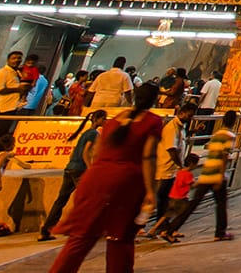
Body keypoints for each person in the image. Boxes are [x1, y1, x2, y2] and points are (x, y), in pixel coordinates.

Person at [47, 82, 163, 273]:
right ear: (155, 100)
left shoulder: (115, 120)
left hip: (95, 179)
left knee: (82, 236)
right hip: (125, 183)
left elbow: (97, 151)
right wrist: (151, 190)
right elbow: (149, 156)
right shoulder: (152, 121)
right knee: (121, 237)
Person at [159, 110, 236, 243]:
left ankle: (170, 229)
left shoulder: (217, 134)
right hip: (217, 174)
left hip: (206, 173)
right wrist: (221, 175)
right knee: (221, 205)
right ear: (234, 122)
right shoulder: (229, 135)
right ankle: (220, 232)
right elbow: (224, 156)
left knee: (192, 205)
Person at [39, 110, 107, 241]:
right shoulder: (94, 134)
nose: (105, 122)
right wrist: (89, 170)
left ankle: (46, 230)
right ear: (97, 119)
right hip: (80, 169)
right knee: (88, 199)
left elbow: (75, 152)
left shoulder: (85, 133)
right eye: (104, 119)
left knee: (61, 200)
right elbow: (86, 152)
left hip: (70, 168)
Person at [0, 50, 31, 164]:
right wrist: (17, 89)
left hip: (11, 108)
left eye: (19, 58)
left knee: (4, 137)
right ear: (8, 59)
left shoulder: (16, 73)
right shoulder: (1, 73)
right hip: (1, 109)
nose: (17, 60)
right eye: (14, 58)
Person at [149, 104, 195, 224]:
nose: (190, 119)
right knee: (159, 198)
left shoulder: (180, 127)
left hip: (171, 170)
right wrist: (181, 166)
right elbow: (171, 149)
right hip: (165, 169)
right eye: (189, 116)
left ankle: (161, 223)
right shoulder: (172, 128)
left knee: (164, 199)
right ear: (181, 113)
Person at [149, 152, 197, 243]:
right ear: (192, 164)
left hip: (172, 196)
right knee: (180, 216)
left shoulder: (179, 172)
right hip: (181, 198)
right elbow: (192, 185)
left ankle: (153, 229)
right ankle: (170, 232)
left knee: (167, 214)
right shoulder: (188, 174)